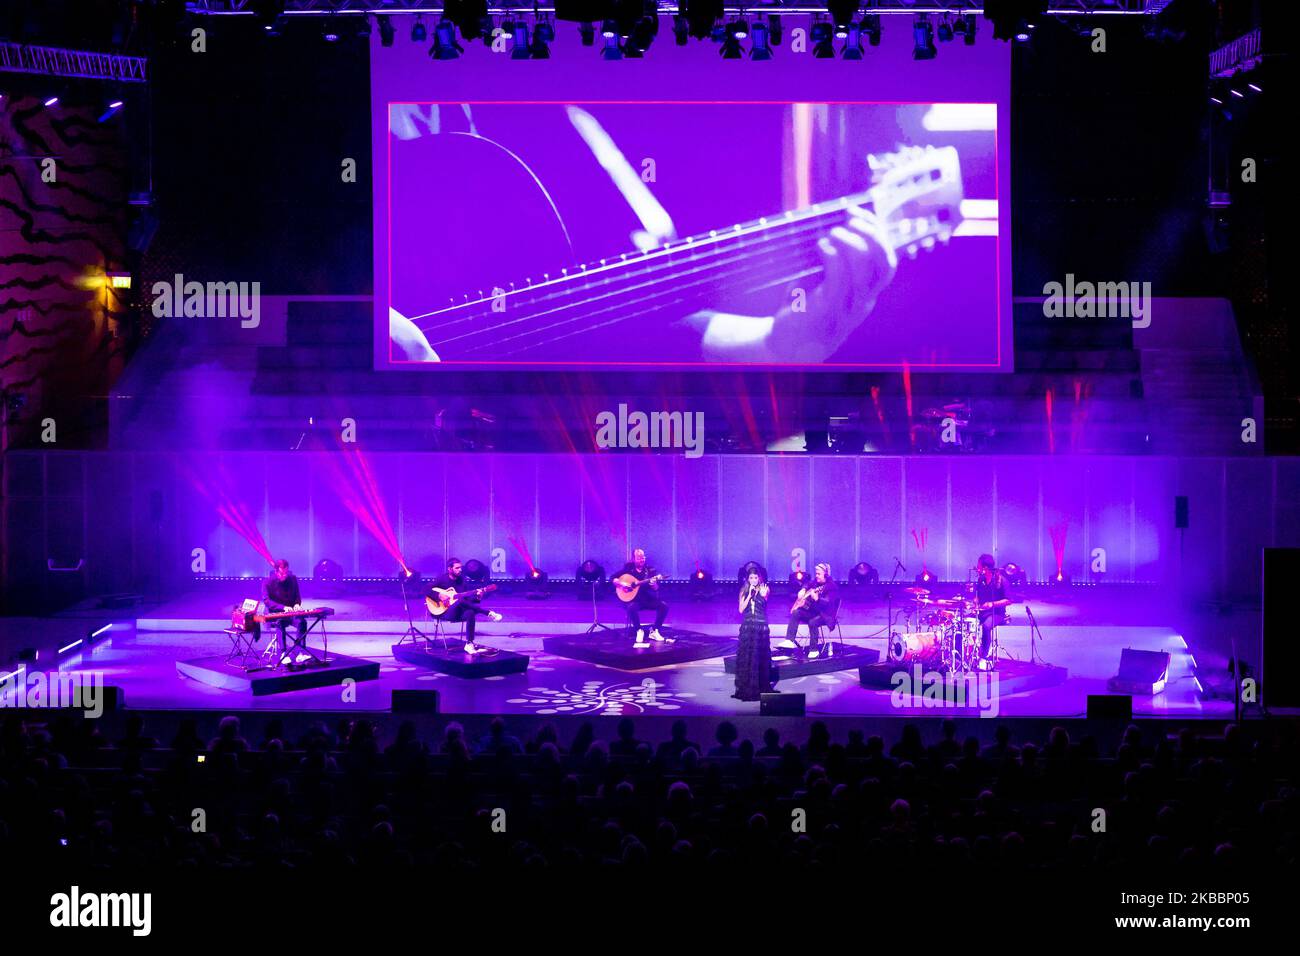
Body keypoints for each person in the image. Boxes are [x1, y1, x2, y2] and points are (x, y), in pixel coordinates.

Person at [428, 557, 503, 655]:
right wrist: (438, 595)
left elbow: (467, 600)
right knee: (458, 601)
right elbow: (425, 590)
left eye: (460, 568)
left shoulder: (462, 581)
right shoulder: (442, 579)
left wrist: (477, 598)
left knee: (470, 612)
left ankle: (469, 643)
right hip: (443, 612)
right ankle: (487, 613)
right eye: (457, 568)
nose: (460, 570)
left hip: (457, 612)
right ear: (449, 569)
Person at [734, 569, 773, 702]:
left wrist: (763, 595)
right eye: (751, 578)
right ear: (748, 579)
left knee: (759, 656)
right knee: (748, 656)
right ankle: (747, 686)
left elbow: (764, 606)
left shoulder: (764, 589)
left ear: (759, 579)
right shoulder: (744, 590)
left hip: (760, 625)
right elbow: (741, 609)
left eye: (756, 578)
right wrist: (749, 596)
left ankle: (760, 685)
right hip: (748, 626)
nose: (754, 580)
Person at [618, 548, 670, 648]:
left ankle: (654, 630)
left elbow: (656, 589)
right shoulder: (628, 569)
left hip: (645, 598)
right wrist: (620, 583)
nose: (642, 560)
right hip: (633, 599)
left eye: (643, 557)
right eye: (639, 558)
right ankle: (639, 630)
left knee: (664, 606)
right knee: (631, 607)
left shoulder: (650, 571)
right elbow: (614, 578)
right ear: (633, 559)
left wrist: (654, 584)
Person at [786, 563, 839, 659]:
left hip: (826, 615)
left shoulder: (832, 587)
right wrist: (803, 589)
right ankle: (789, 640)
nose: (817, 576)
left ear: (826, 575)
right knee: (796, 612)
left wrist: (818, 599)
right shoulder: (815, 582)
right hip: (814, 612)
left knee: (812, 622)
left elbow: (828, 603)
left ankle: (813, 650)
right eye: (816, 574)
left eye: (819, 574)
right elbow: (807, 583)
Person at [264, 558, 308, 661]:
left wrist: (297, 604)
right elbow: (266, 601)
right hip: (276, 613)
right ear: (276, 571)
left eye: (286, 573)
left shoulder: (292, 579)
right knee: (280, 623)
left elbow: (297, 595)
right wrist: (283, 608)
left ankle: (300, 652)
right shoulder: (268, 582)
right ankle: (283, 653)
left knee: (302, 622)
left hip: (291, 612)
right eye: (281, 573)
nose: (284, 576)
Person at [974, 553, 1011, 667]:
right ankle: (966, 653)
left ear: (985, 568)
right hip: (982, 611)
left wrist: (992, 604)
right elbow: (978, 596)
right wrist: (975, 600)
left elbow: (1008, 600)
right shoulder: (981, 579)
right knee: (960, 621)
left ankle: (983, 657)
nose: (977, 567)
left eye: (978, 565)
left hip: (997, 613)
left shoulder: (1001, 580)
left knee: (986, 626)